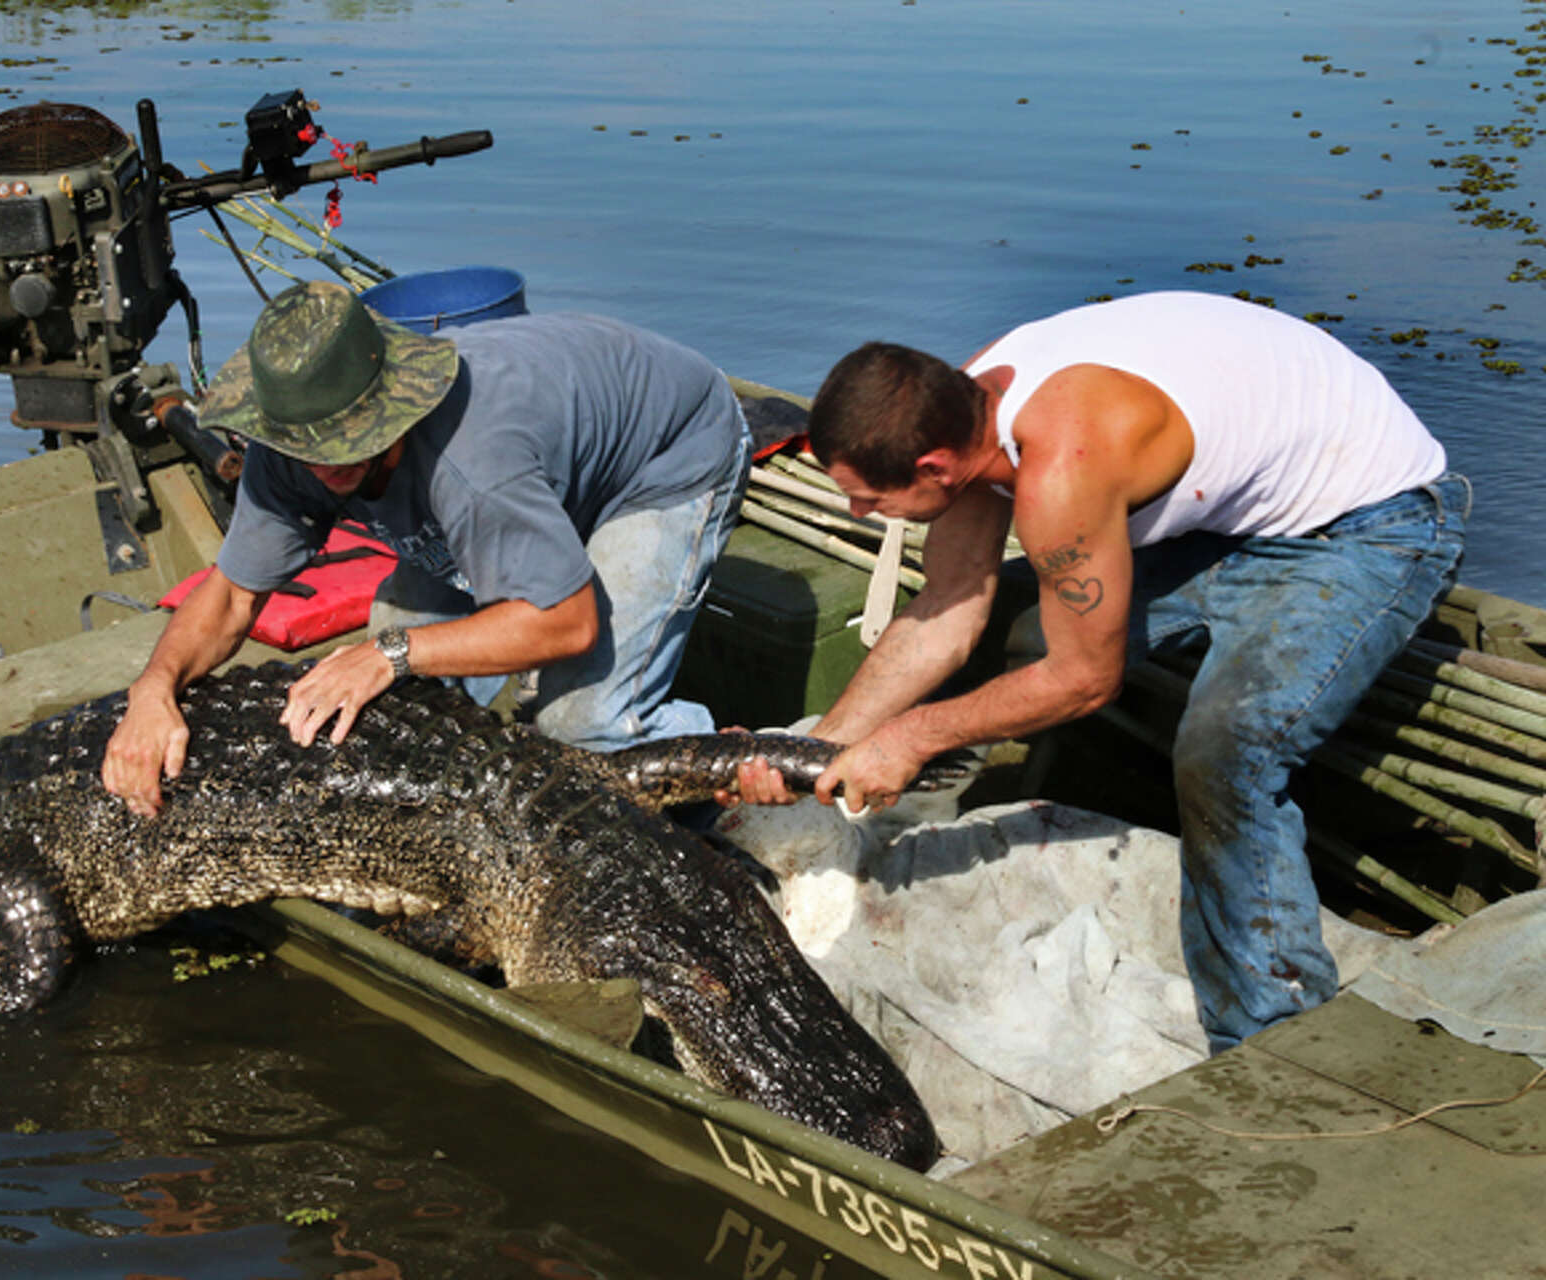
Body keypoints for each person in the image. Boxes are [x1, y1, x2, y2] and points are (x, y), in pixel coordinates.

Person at [731, 290, 1469, 1051]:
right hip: (1229, 518)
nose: (859, 516)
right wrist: (818, 749)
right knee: (1024, 643)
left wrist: (912, 736)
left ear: (933, 466)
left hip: (1370, 523)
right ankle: (1105, 807)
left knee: (1227, 750)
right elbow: (949, 609)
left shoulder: (1062, 467)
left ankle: (1270, 1038)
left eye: (868, 499)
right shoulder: (962, 411)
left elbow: (1086, 679)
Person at [103, 278, 750, 816]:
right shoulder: (288, 449)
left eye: (348, 442)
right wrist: (153, 689)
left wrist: (390, 654)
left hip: (665, 456)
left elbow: (568, 621)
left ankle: (736, 757)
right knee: (392, 680)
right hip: (540, 463)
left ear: (386, 407)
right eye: (310, 451)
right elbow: (233, 596)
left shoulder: (473, 463)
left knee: (582, 728)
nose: (327, 467)